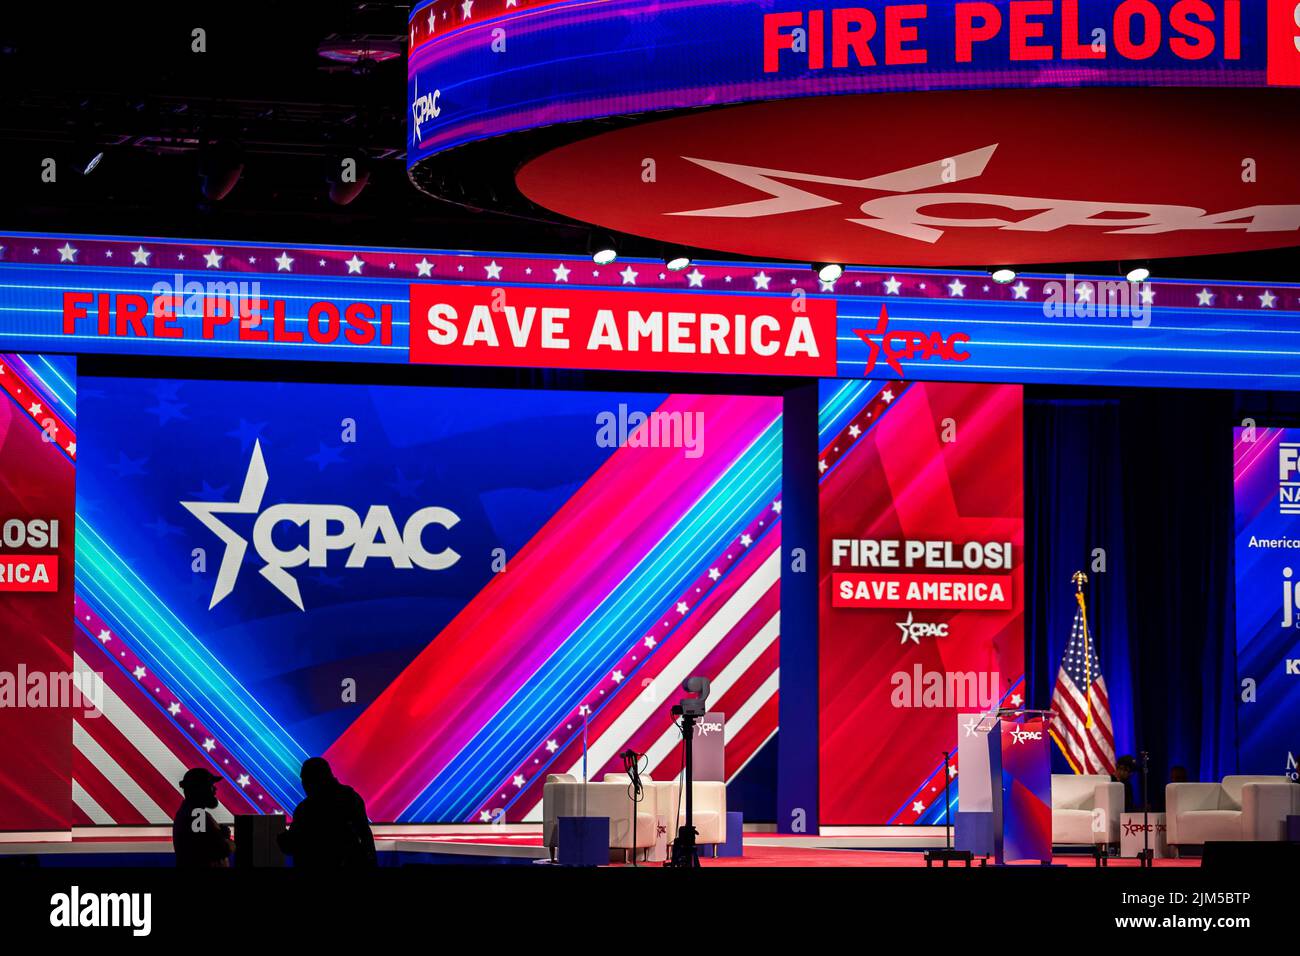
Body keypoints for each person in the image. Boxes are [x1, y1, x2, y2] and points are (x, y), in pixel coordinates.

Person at [277, 757, 377, 868]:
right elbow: (364, 833)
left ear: (312, 780)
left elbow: (294, 844)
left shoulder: (306, 808)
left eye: (305, 779)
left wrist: (282, 839)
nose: (303, 784)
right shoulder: (351, 797)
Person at [172, 768, 233, 868]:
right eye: (210, 786)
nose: (215, 790)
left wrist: (218, 834)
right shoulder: (196, 815)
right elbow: (217, 850)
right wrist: (227, 841)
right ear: (200, 789)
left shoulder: (191, 812)